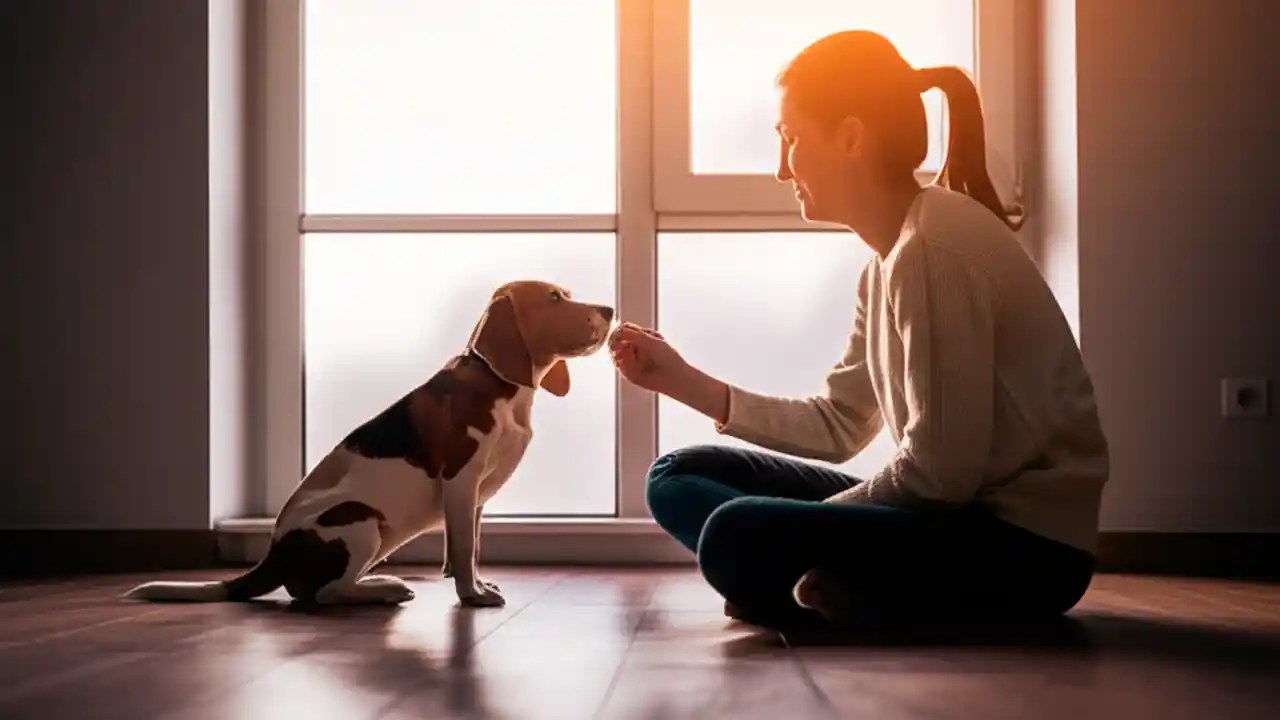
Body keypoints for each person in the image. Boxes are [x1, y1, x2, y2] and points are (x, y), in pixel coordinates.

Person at [608, 30, 1109, 630]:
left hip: (1024, 551)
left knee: (733, 530)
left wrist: (817, 520)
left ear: (850, 137)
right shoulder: (886, 261)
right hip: (950, 518)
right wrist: (682, 380)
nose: (781, 169)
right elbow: (841, 422)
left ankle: (816, 588)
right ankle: (827, 589)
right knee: (676, 478)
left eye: (791, 139)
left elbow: (941, 475)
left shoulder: (934, 249)